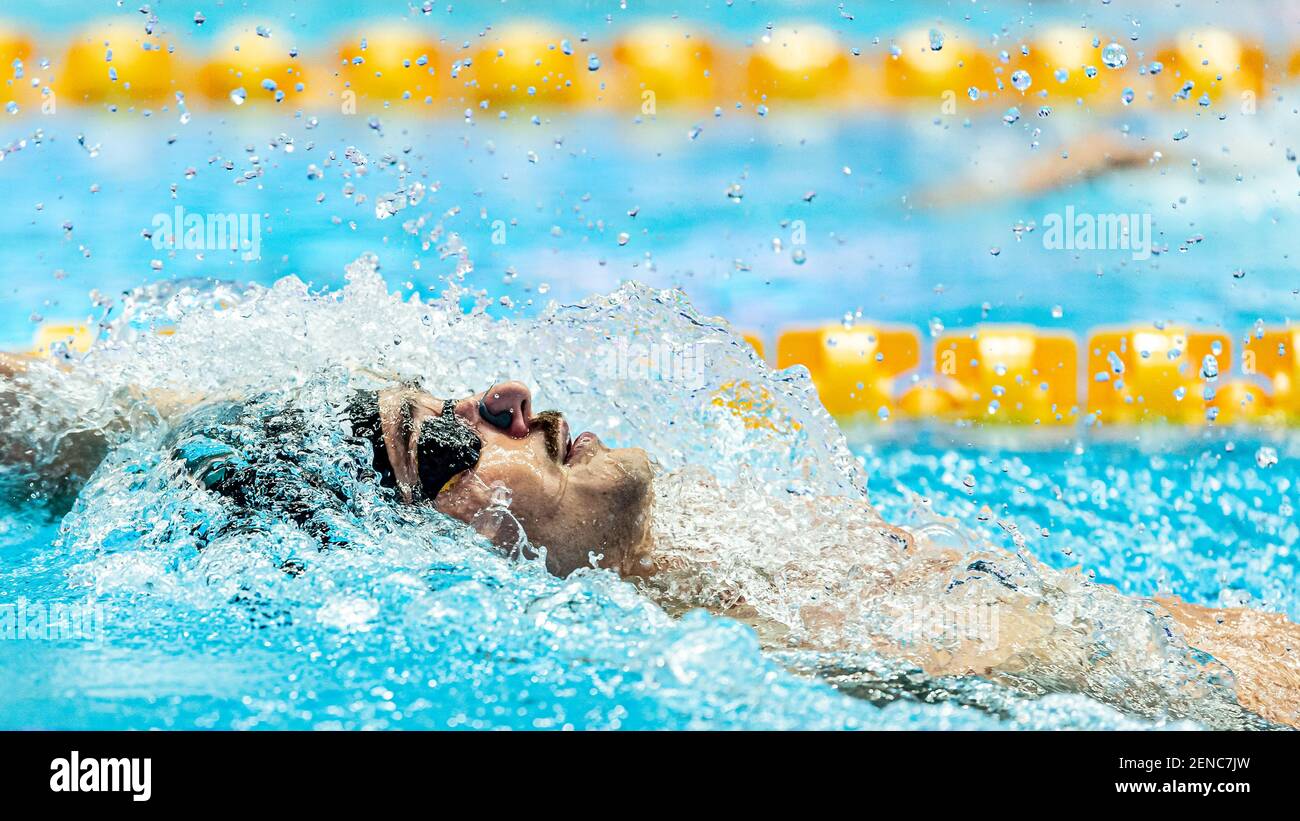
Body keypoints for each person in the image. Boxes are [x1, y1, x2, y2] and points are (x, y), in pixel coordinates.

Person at [1, 361, 1296, 728]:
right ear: (442, 550)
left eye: (454, 385)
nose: (506, 396)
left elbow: (89, 419)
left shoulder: (704, 554)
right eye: (446, 436)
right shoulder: (792, 647)